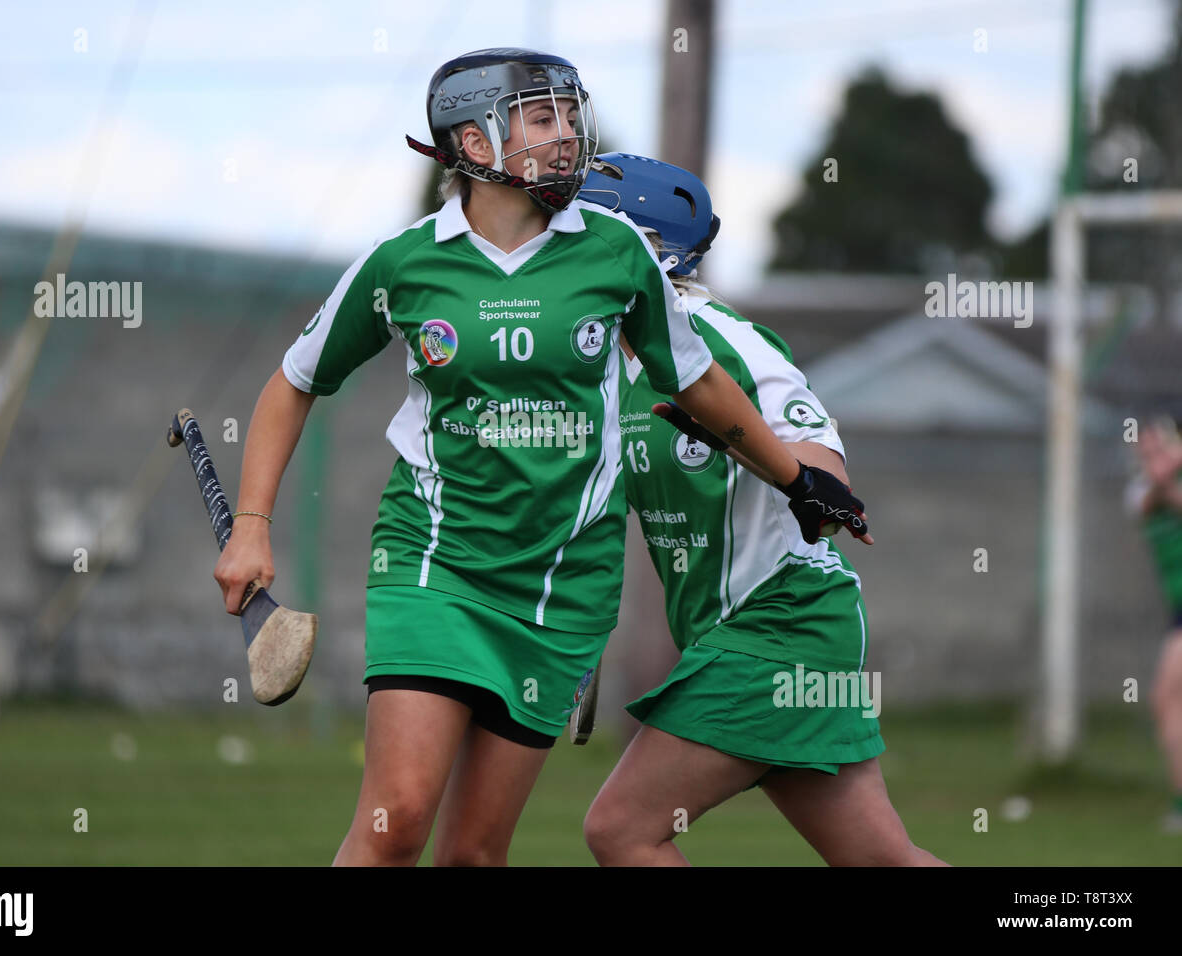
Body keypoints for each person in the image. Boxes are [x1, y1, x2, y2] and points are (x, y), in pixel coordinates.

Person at [213, 53, 870, 867]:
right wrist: (252, 526)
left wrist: (797, 480)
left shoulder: (617, 252)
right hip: (435, 568)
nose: (566, 135)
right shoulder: (404, 263)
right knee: (397, 822)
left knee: (474, 855)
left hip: (564, 589)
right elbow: (293, 382)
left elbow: (697, 382)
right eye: (541, 117)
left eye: (568, 114)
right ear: (474, 143)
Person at [578, 153, 944, 865]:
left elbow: (825, 484)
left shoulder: (723, 342)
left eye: (580, 232)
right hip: (751, 633)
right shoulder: (609, 365)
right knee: (882, 860)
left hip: (783, 623)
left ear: (646, 250)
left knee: (620, 829)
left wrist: (738, 440)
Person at [1126, 416, 1182, 833]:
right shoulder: (1139, 490)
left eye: (1158, 448)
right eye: (1143, 452)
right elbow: (1146, 502)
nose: (1151, 458)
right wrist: (1164, 475)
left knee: (1165, 696)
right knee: (1166, 701)